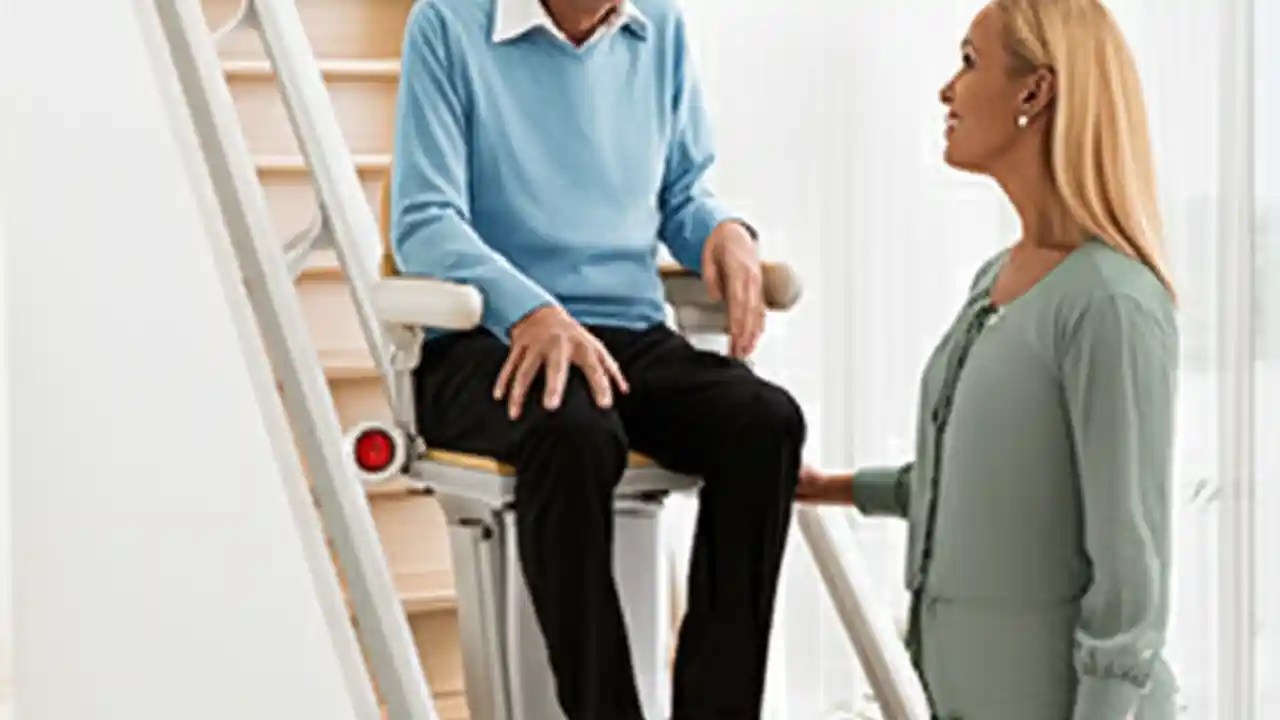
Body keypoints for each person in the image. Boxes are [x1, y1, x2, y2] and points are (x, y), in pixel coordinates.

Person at [390, 0, 805, 718]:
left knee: (765, 423)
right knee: (576, 432)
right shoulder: (449, 24)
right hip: (488, 341)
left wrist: (725, 231)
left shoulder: (659, 29)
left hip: (627, 335)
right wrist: (531, 310)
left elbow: (681, 194)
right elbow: (424, 222)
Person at [797, 1, 1178, 718]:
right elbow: (978, 488)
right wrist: (832, 487)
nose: (947, 89)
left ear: (1035, 91)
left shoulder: (1111, 303)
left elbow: (1131, 580)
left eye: (969, 62)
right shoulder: (995, 281)